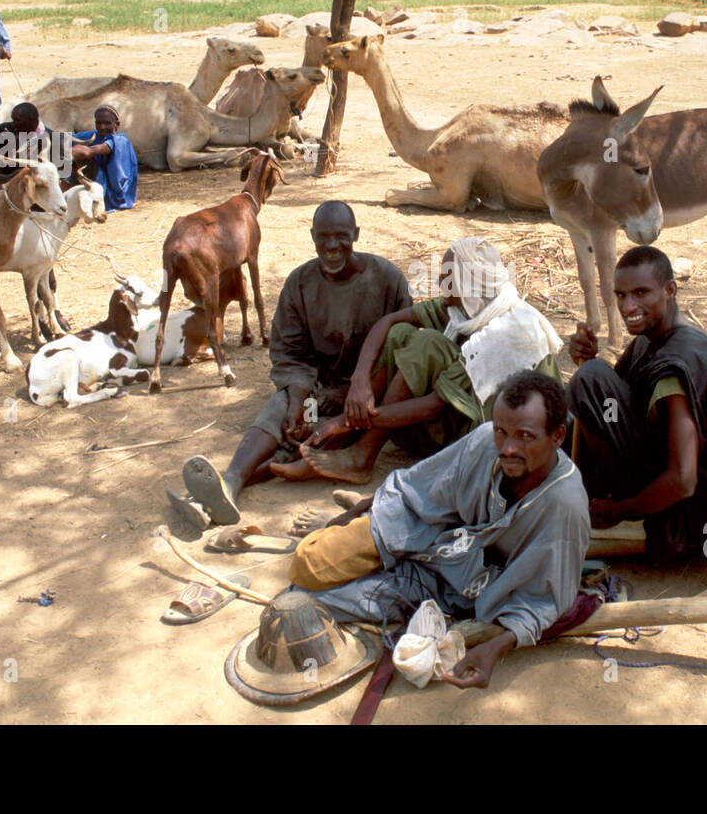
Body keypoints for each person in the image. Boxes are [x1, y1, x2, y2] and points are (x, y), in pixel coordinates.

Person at [288, 370, 590, 689]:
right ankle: (354, 522)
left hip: (454, 590)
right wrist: (358, 516)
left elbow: (545, 601)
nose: (509, 448)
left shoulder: (564, 505)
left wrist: (493, 648)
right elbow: (419, 487)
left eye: (525, 436)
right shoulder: (485, 442)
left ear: (557, 436)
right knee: (310, 562)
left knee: (305, 598)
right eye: (502, 431)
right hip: (426, 538)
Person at [171, 201, 413, 527]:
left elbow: (402, 348)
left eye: (341, 236)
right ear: (312, 237)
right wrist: (299, 394)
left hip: (365, 395)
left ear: (356, 235)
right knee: (286, 414)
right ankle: (229, 482)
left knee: (314, 440)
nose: (331, 246)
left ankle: (220, 493)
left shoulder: (387, 280)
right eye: (323, 237)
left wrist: (354, 389)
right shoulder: (300, 284)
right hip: (315, 389)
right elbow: (289, 352)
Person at [271, 236, 563, 486]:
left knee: (427, 343)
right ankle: (356, 437)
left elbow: (434, 405)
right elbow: (390, 321)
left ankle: (361, 454)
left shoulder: (505, 332)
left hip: (489, 443)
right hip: (444, 423)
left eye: (447, 275)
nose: (439, 281)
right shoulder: (468, 306)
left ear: (469, 281)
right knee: (401, 333)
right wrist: (359, 382)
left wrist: (346, 421)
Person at [566, 246, 707, 562]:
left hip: (701, 506)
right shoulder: (650, 339)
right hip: (659, 466)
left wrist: (618, 511)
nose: (628, 306)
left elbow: (683, 480)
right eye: (620, 295)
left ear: (670, 290)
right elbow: (617, 410)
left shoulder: (679, 363)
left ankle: (611, 500)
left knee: (590, 381)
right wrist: (587, 365)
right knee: (576, 404)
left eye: (640, 293)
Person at [0, 102, 71, 184]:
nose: (13, 123)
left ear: (31, 121)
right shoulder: (7, 130)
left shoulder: (53, 139)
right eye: (13, 119)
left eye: (17, 121)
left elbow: (61, 173)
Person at [68, 105, 138, 211]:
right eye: (99, 123)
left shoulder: (120, 140)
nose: (102, 127)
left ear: (117, 124)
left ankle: (66, 200)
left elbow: (88, 152)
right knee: (58, 148)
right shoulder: (93, 135)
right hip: (99, 184)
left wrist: (62, 153)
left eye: (107, 123)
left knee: (82, 163)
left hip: (115, 193)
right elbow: (63, 139)